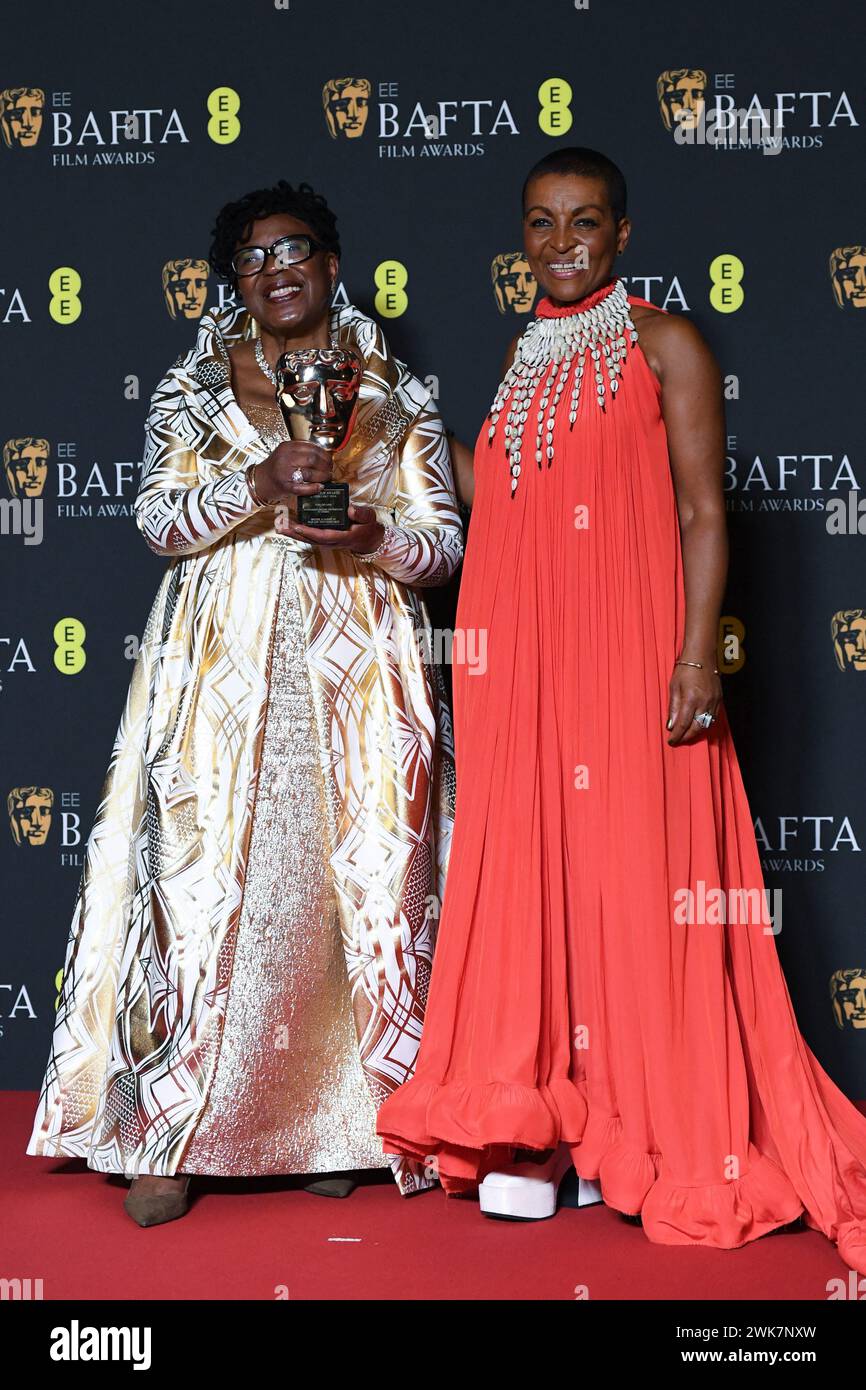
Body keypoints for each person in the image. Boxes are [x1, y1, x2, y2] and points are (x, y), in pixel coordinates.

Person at [376, 148, 866, 1274]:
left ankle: (645, 1129)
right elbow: (504, 497)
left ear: (622, 233)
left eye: (583, 222)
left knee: (640, 882)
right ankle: (565, 1125)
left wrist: (697, 656)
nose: (561, 243)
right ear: (521, 238)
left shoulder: (666, 344)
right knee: (545, 881)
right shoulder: (516, 354)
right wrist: (395, 437)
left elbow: (702, 511)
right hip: (530, 671)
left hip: (633, 657)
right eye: (541, 224)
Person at [27, 179, 463, 1226]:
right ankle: (166, 1133)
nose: (278, 270)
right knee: (198, 888)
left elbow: (442, 546)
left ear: (330, 263)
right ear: (235, 278)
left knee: (350, 883)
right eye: (256, 257)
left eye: (296, 250)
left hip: (362, 665)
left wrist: (369, 536)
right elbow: (155, 523)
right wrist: (259, 485)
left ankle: (341, 1123)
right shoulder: (190, 392)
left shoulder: (397, 395)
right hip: (215, 662)